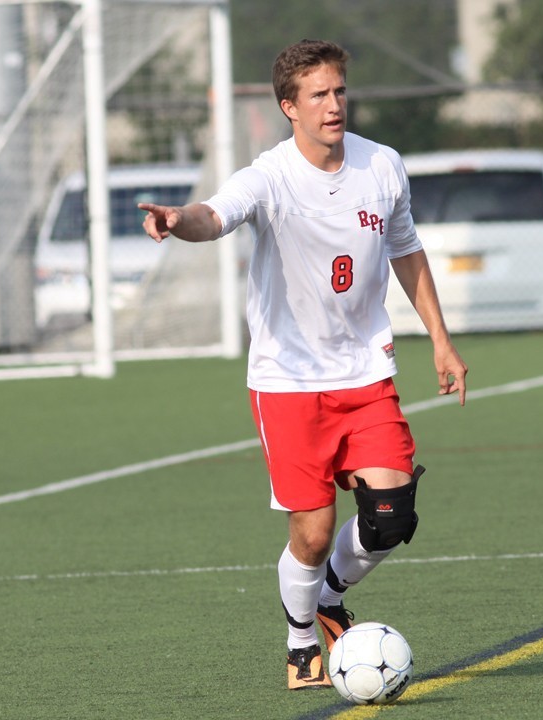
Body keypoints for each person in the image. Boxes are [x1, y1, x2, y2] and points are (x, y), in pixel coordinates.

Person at [139, 39, 468, 691]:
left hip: (366, 375)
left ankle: (327, 598)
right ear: (289, 107)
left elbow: (406, 250)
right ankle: (299, 643)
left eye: (340, 90)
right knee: (312, 536)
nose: (334, 104)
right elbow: (215, 215)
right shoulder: (270, 176)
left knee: (392, 517)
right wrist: (179, 220)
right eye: (318, 95)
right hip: (288, 384)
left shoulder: (383, 165)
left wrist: (440, 339)